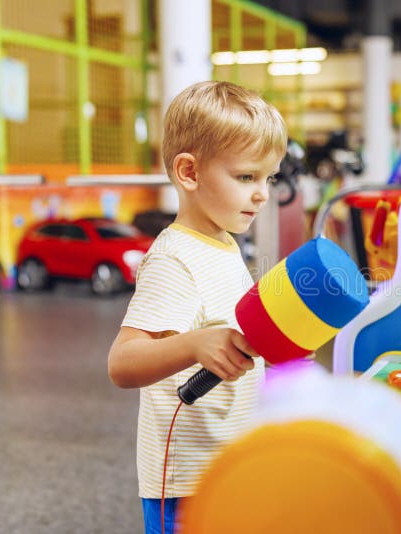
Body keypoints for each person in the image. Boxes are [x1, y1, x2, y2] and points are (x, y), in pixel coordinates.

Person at [107, 80, 287, 534]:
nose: (262, 193)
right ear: (189, 173)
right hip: (187, 486)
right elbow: (122, 364)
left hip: (227, 464)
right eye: (247, 177)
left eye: (269, 178)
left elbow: (226, 330)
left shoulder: (222, 243)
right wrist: (196, 345)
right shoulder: (174, 260)